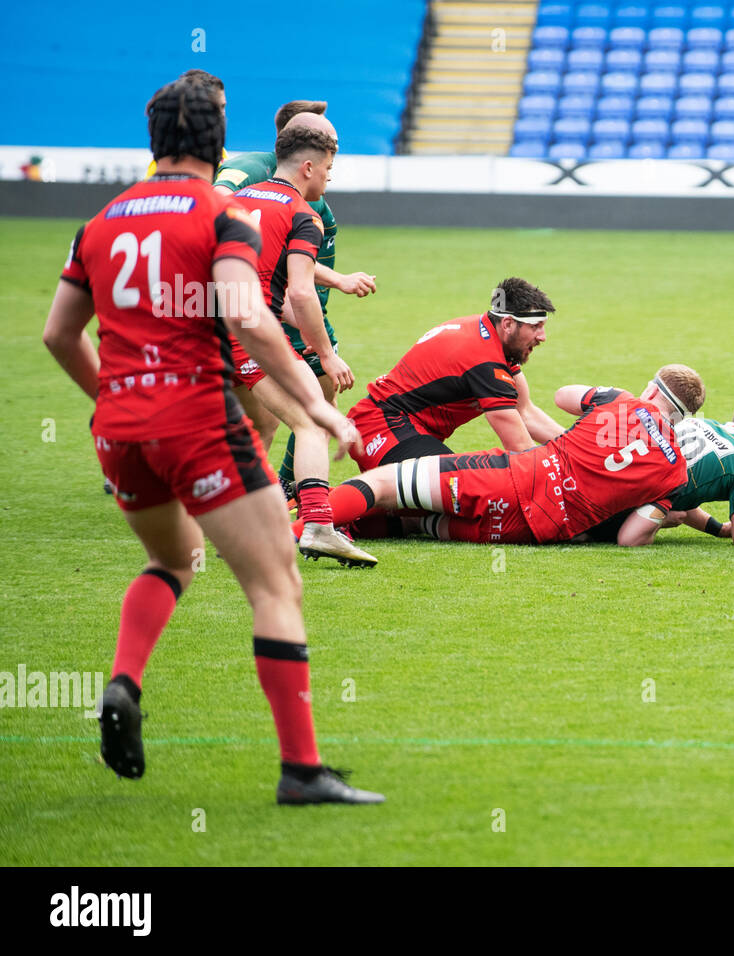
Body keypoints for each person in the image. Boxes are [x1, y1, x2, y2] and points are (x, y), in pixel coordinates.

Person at [42, 73, 383, 803]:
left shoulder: (101, 221)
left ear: (154, 141)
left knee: (174, 559)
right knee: (277, 582)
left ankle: (125, 683)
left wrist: (112, 397)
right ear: (219, 143)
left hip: (119, 432)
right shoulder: (220, 214)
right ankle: (301, 771)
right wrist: (315, 401)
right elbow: (249, 317)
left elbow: (59, 333)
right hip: (194, 421)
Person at [294, 365, 704, 544]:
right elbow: (632, 538)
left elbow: (563, 396)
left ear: (652, 390)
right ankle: (336, 528)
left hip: (516, 477)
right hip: (536, 531)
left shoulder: (624, 403)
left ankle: (291, 532)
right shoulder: (675, 475)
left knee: (385, 484)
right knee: (418, 524)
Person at [230, 123, 377, 567]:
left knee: (252, 431)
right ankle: (318, 526)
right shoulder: (302, 215)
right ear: (309, 166)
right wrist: (327, 355)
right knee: (311, 421)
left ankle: (244, 525)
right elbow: (300, 292)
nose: (329, 180)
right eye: (328, 169)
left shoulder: (237, 202)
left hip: (207, 332)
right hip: (248, 336)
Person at [345, 278, 565, 473]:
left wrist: (579, 449)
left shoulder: (492, 337)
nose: (542, 337)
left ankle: (361, 518)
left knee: (429, 502)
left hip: (402, 430)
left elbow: (525, 412)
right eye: (535, 326)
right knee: (458, 488)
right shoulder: (484, 360)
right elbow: (521, 450)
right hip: (383, 428)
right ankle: (317, 510)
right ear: (508, 323)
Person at [609, 392, 734, 546]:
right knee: (661, 520)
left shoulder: (705, 423)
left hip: (610, 470)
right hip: (615, 505)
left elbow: (683, 491)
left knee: (675, 512)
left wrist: (718, 529)